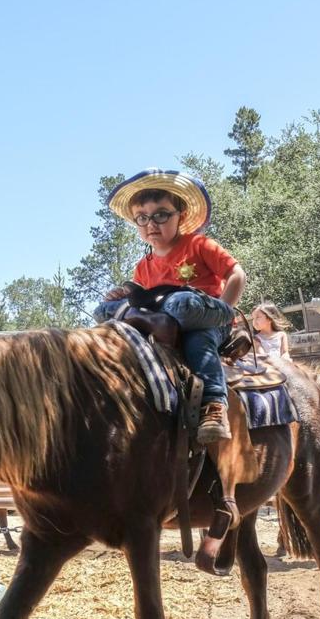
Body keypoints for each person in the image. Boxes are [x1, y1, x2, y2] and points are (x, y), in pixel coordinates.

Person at [95, 169, 246, 444]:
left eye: (161, 214)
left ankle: (214, 404)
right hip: (164, 323)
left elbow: (237, 274)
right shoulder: (143, 266)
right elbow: (143, 300)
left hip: (204, 318)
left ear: (181, 216)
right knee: (105, 311)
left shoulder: (199, 244)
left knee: (190, 323)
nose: (151, 223)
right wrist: (124, 297)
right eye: (142, 218)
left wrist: (224, 310)